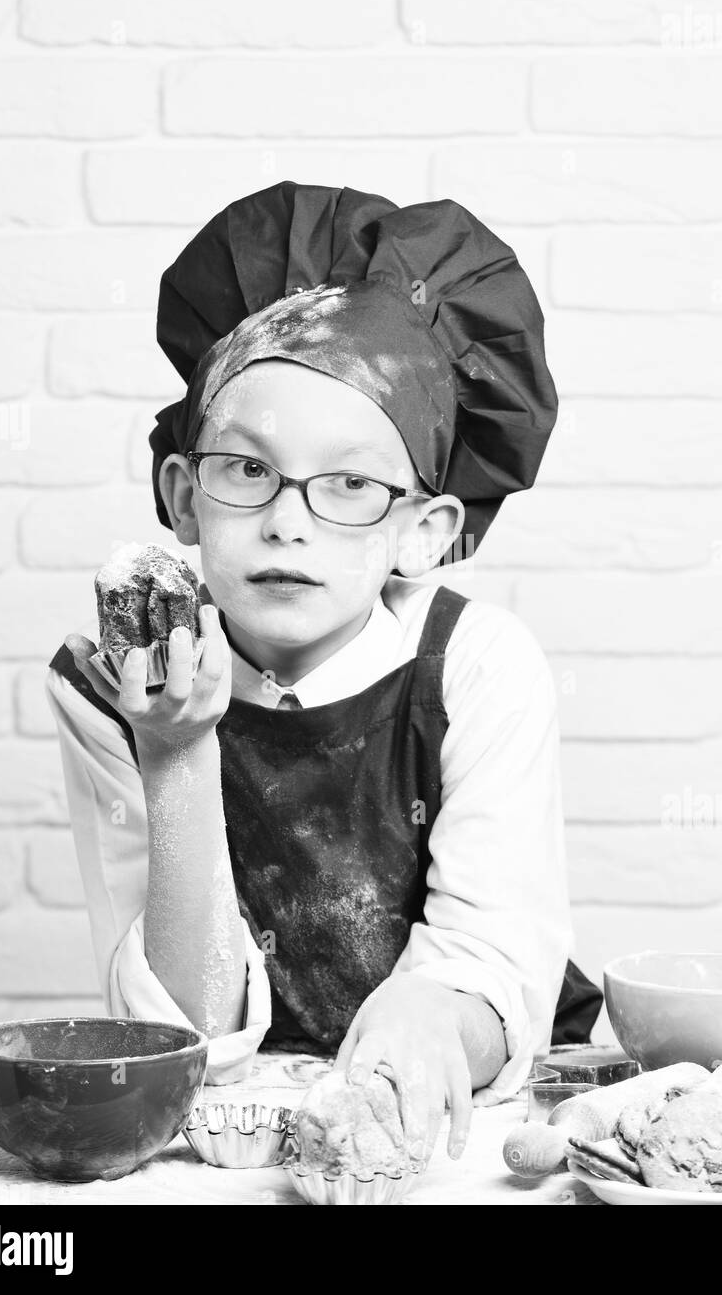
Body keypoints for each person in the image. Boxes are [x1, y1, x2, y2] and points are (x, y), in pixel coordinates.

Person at [46, 181, 602, 1164]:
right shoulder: (118, 686)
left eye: (349, 482)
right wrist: (176, 754)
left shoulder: (474, 665)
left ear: (424, 534)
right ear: (183, 494)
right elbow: (186, 1042)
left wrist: (430, 1015)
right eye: (247, 469)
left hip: (476, 1111)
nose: (288, 519)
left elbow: (495, 960)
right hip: (236, 1135)